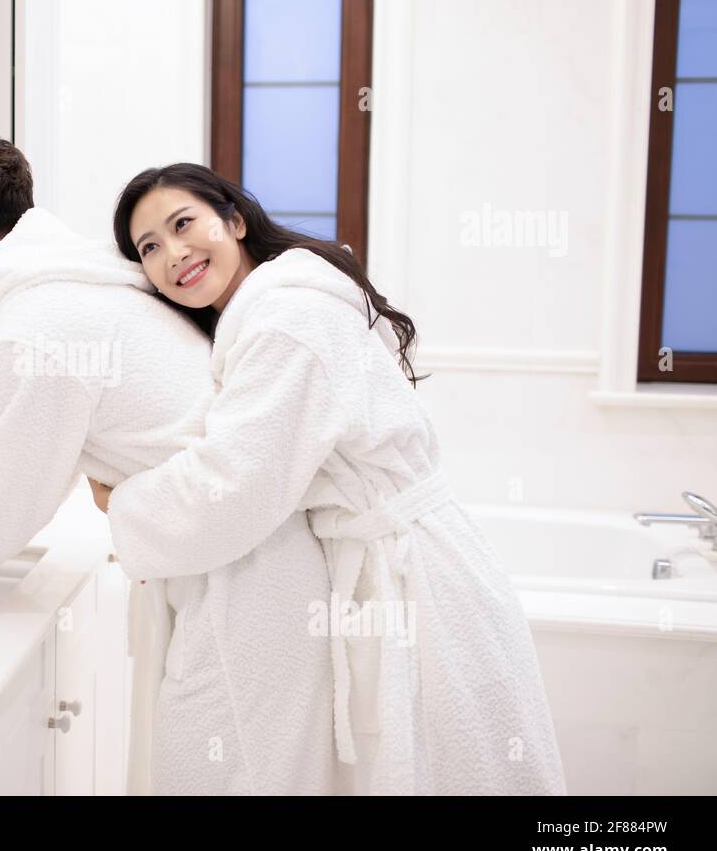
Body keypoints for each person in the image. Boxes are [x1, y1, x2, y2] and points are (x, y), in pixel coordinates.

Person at [0, 124, 343, 794]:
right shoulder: (71, 290)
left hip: (248, 581)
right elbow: (12, 475)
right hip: (248, 564)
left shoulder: (38, 322)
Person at [87, 163, 566, 794]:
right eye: (149, 248)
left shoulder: (286, 321)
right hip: (390, 566)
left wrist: (123, 500)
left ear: (233, 219)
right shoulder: (271, 309)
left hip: (414, 582)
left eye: (184, 224)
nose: (174, 254)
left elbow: (236, 487)